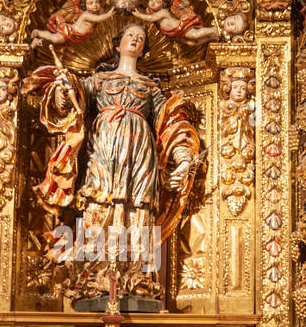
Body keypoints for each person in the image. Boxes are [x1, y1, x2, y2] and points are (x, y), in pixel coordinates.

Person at [24, 22, 201, 305]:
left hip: (140, 154)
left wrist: (181, 158)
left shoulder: (150, 88)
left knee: (137, 207)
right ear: (117, 44)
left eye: (140, 37)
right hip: (102, 150)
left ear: (144, 49)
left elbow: (168, 123)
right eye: (130, 34)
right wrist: (62, 89)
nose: (135, 39)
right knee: (99, 204)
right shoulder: (98, 81)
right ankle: (95, 276)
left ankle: (137, 276)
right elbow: (73, 105)